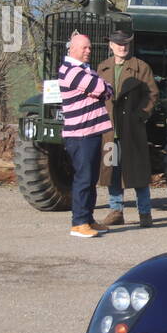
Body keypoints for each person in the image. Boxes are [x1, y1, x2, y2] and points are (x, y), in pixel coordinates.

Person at [96, 30, 159, 227]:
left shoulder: (141, 67)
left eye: (125, 44)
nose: (122, 47)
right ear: (111, 46)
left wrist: (140, 115)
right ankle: (116, 211)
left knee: (138, 173)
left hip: (132, 131)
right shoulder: (102, 67)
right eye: (118, 44)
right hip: (109, 132)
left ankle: (145, 213)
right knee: (111, 172)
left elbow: (152, 94)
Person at [59, 31, 114, 239]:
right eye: (85, 47)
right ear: (72, 49)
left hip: (90, 131)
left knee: (90, 178)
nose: (89, 51)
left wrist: (101, 88)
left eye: (89, 47)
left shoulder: (84, 70)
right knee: (83, 178)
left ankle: (88, 219)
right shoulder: (71, 71)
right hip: (80, 134)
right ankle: (79, 223)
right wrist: (100, 87)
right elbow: (101, 88)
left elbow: (107, 89)